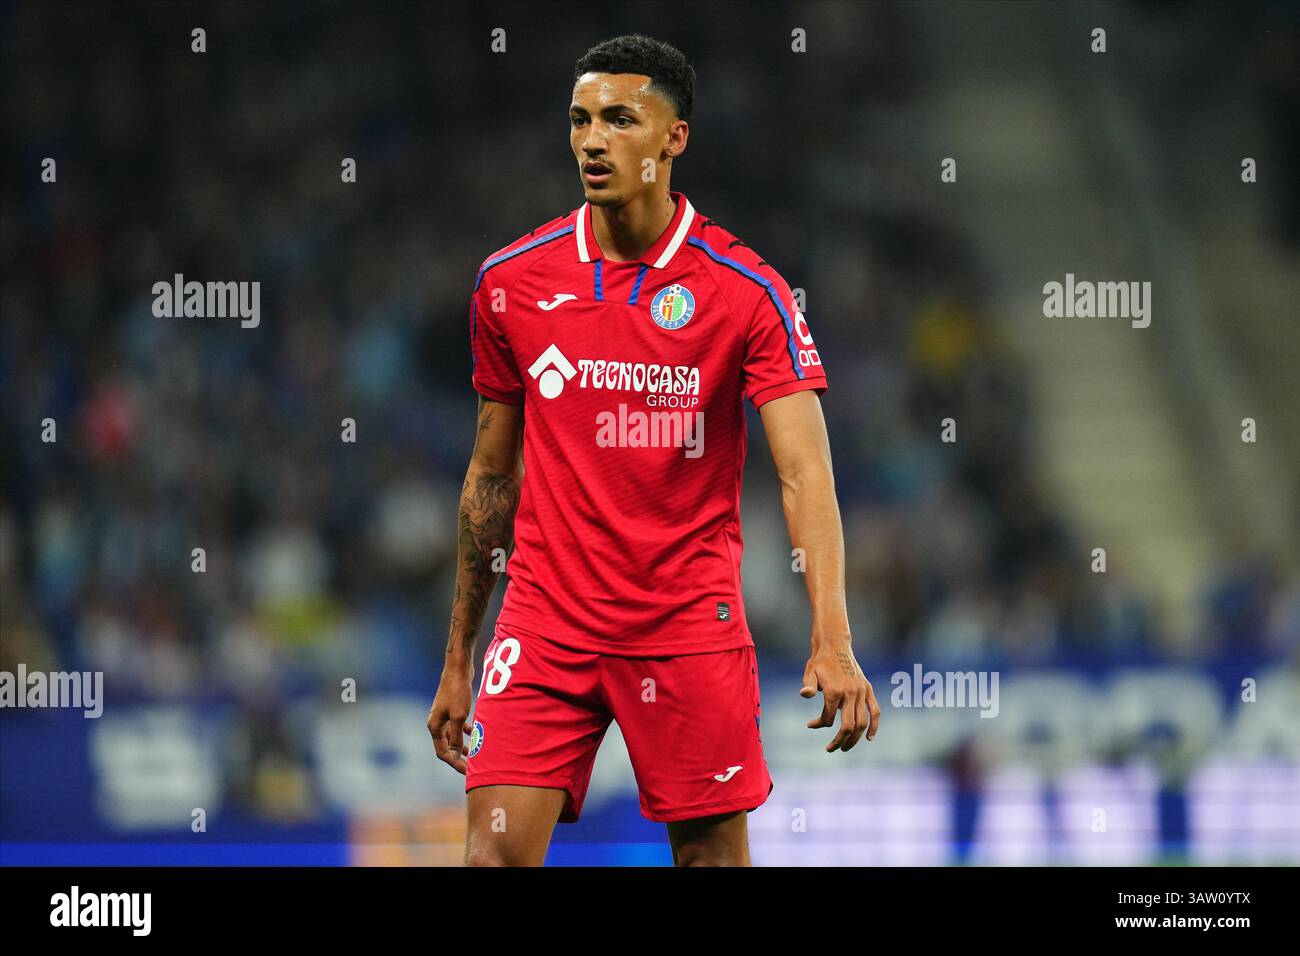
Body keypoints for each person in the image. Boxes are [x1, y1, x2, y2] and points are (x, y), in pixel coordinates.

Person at [427, 33, 879, 867]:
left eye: (621, 119)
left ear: (675, 137)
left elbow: (803, 470)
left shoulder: (746, 293)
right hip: (545, 621)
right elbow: (492, 476)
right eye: (580, 120)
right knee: (490, 859)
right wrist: (459, 657)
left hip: (686, 625)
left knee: (710, 861)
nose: (594, 140)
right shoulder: (510, 284)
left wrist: (833, 636)